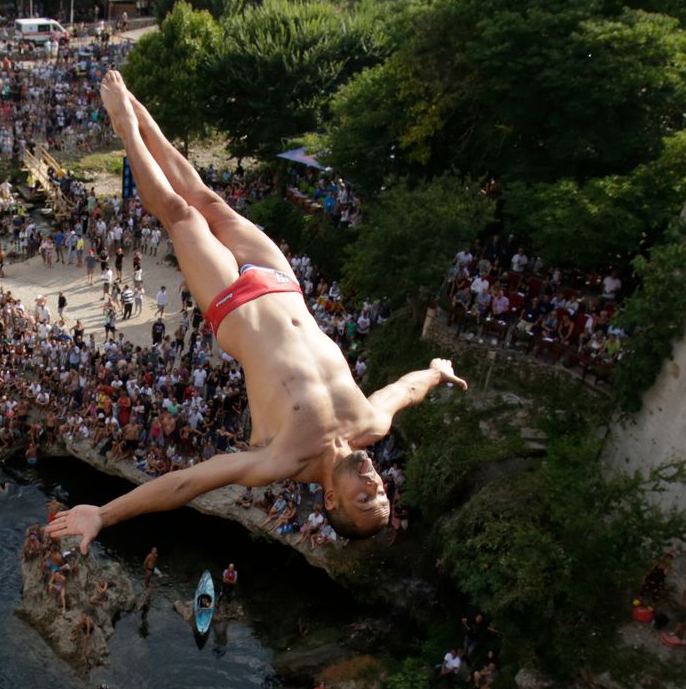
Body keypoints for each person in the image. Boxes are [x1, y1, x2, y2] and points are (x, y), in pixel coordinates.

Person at [47, 73, 467, 553]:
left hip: (235, 308)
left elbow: (186, 484)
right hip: (282, 283)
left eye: (364, 499)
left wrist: (103, 512)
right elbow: (406, 391)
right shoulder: (372, 423)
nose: (375, 485)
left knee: (181, 214)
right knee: (211, 202)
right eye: (382, 495)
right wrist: (436, 371)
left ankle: (124, 124)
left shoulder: (278, 459)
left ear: (330, 499)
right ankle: (141, 114)